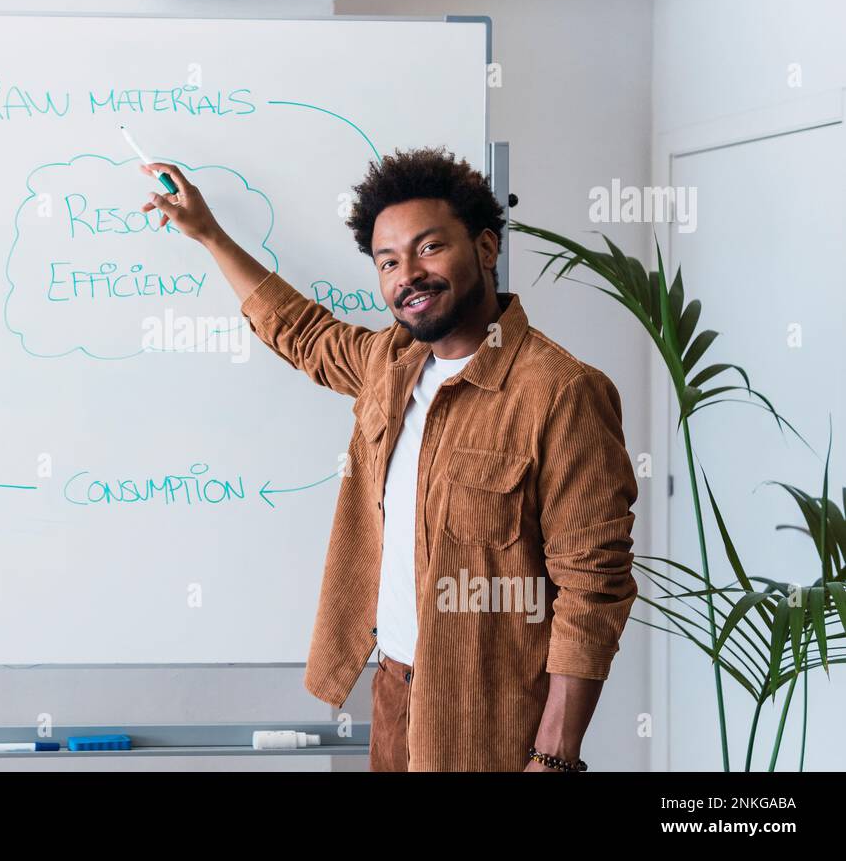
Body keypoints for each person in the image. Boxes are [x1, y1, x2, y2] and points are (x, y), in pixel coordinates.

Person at [137, 145, 638, 772]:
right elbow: (302, 332)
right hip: (394, 690)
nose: (408, 275)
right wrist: (209, 234)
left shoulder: (562, 391)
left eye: (429, 248)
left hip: (490, 712)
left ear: (486, 248)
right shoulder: (388, 363)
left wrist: (557, 754)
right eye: (388, 261)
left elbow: (593, 586)